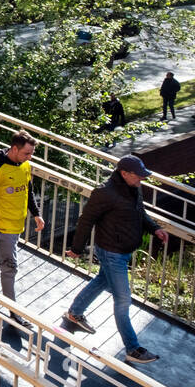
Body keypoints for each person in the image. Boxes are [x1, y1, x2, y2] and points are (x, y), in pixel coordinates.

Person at [63, 155, 169, 364]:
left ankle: (74, 313)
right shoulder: (105, 193)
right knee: (123, 299)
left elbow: (140, 212)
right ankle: (132, 348)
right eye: (138, 176)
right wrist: (76, 249)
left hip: (123, 249)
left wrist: (155, 228)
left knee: (102, 280)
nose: (142, 180)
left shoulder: (132, 188)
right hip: (112, 252)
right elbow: (86, 221)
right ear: (124, 174)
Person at [0, 130, 43, 330]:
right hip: (1, 226)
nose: (29, 157)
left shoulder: (25, 166)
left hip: (16, 227)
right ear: (14, 149)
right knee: (10, 268)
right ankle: (13, 312)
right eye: (27, 153)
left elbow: (28, 190)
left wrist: (37, 214)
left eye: (31, 153)